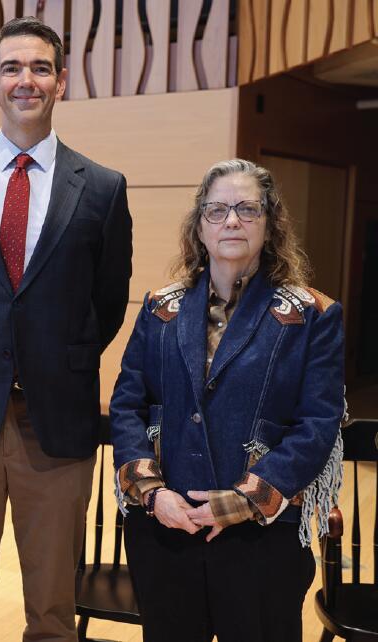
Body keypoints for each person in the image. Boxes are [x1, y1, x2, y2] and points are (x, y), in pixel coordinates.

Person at [0, 17, 132, 642]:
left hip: (55, 424)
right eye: (12, 68)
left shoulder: (101, 188)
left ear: (61, 81)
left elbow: (108, 302)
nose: (26, 80)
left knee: (52, 610)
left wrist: (53, 359)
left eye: (40, 68)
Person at [110, 158, 345, 642]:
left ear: (270, 222)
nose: (231, 220)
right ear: (199, 226)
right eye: (216, 210)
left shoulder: (313, 315)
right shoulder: (160, 309)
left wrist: (245, 501)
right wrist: (154, 495)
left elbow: (318, 424)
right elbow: (127, 404)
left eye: (247, 209)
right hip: (168, 530)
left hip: (260, 539)